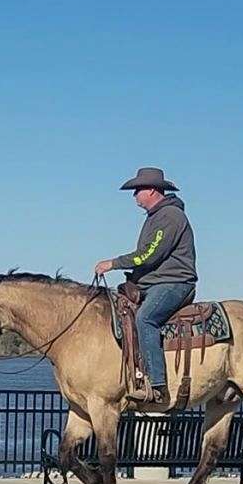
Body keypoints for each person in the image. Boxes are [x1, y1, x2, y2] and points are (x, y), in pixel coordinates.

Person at [94, 167, 198, 405]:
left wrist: (114, 263)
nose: (135, 196)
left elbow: (149, 255)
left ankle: (157, 385)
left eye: (137, 190)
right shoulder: (155, 217)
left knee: (145, 318)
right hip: (155, 283)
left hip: (175, 283)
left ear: (151, 190)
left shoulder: (171, 216)